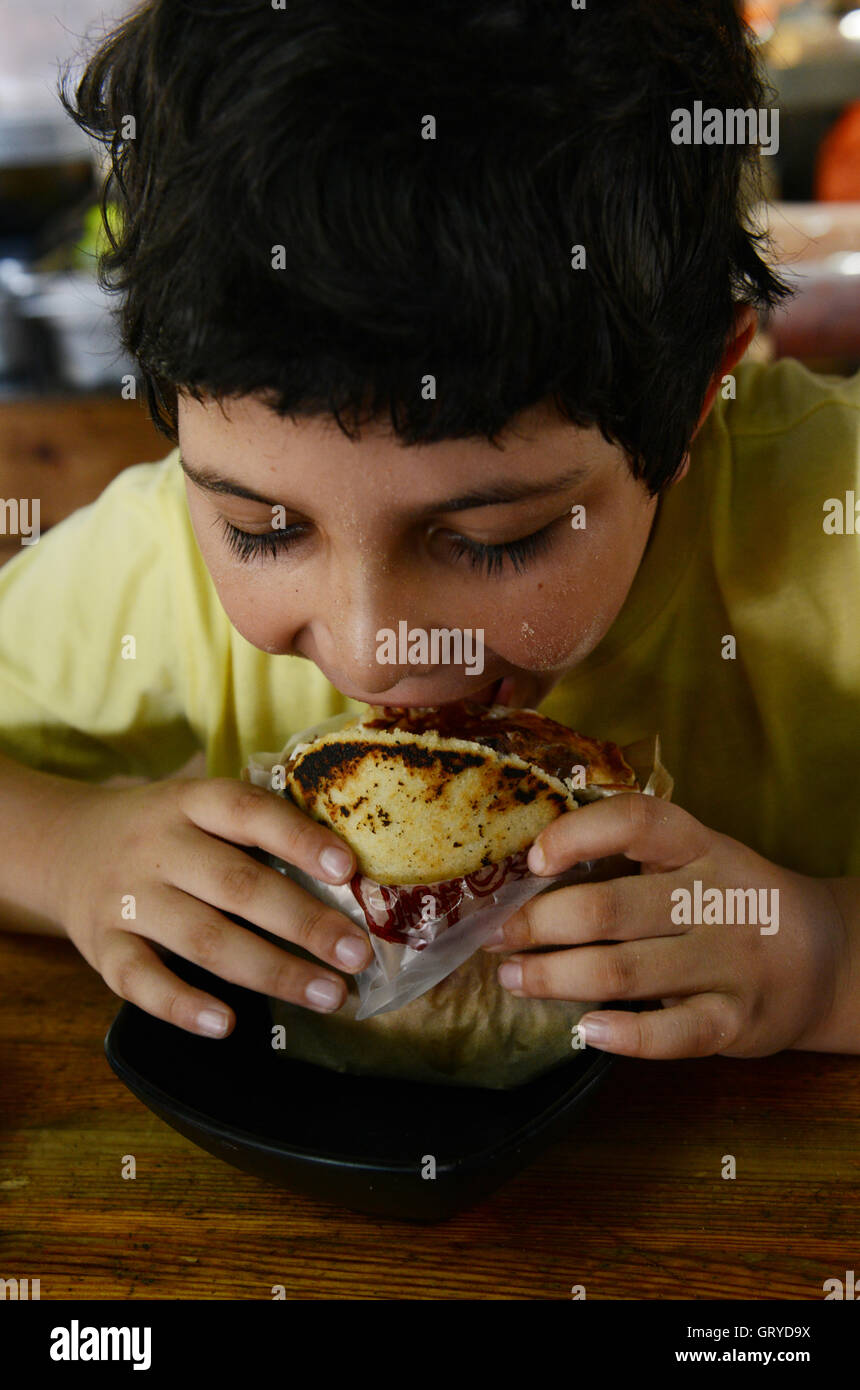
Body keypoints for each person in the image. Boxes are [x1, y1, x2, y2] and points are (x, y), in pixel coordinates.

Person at [0, 0, 857, 1060]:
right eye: (261, 529)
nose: (373, 648)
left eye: (494, 539)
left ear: (690, 400)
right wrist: (65, 852)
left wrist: (824, 958)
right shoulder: (147, 565)